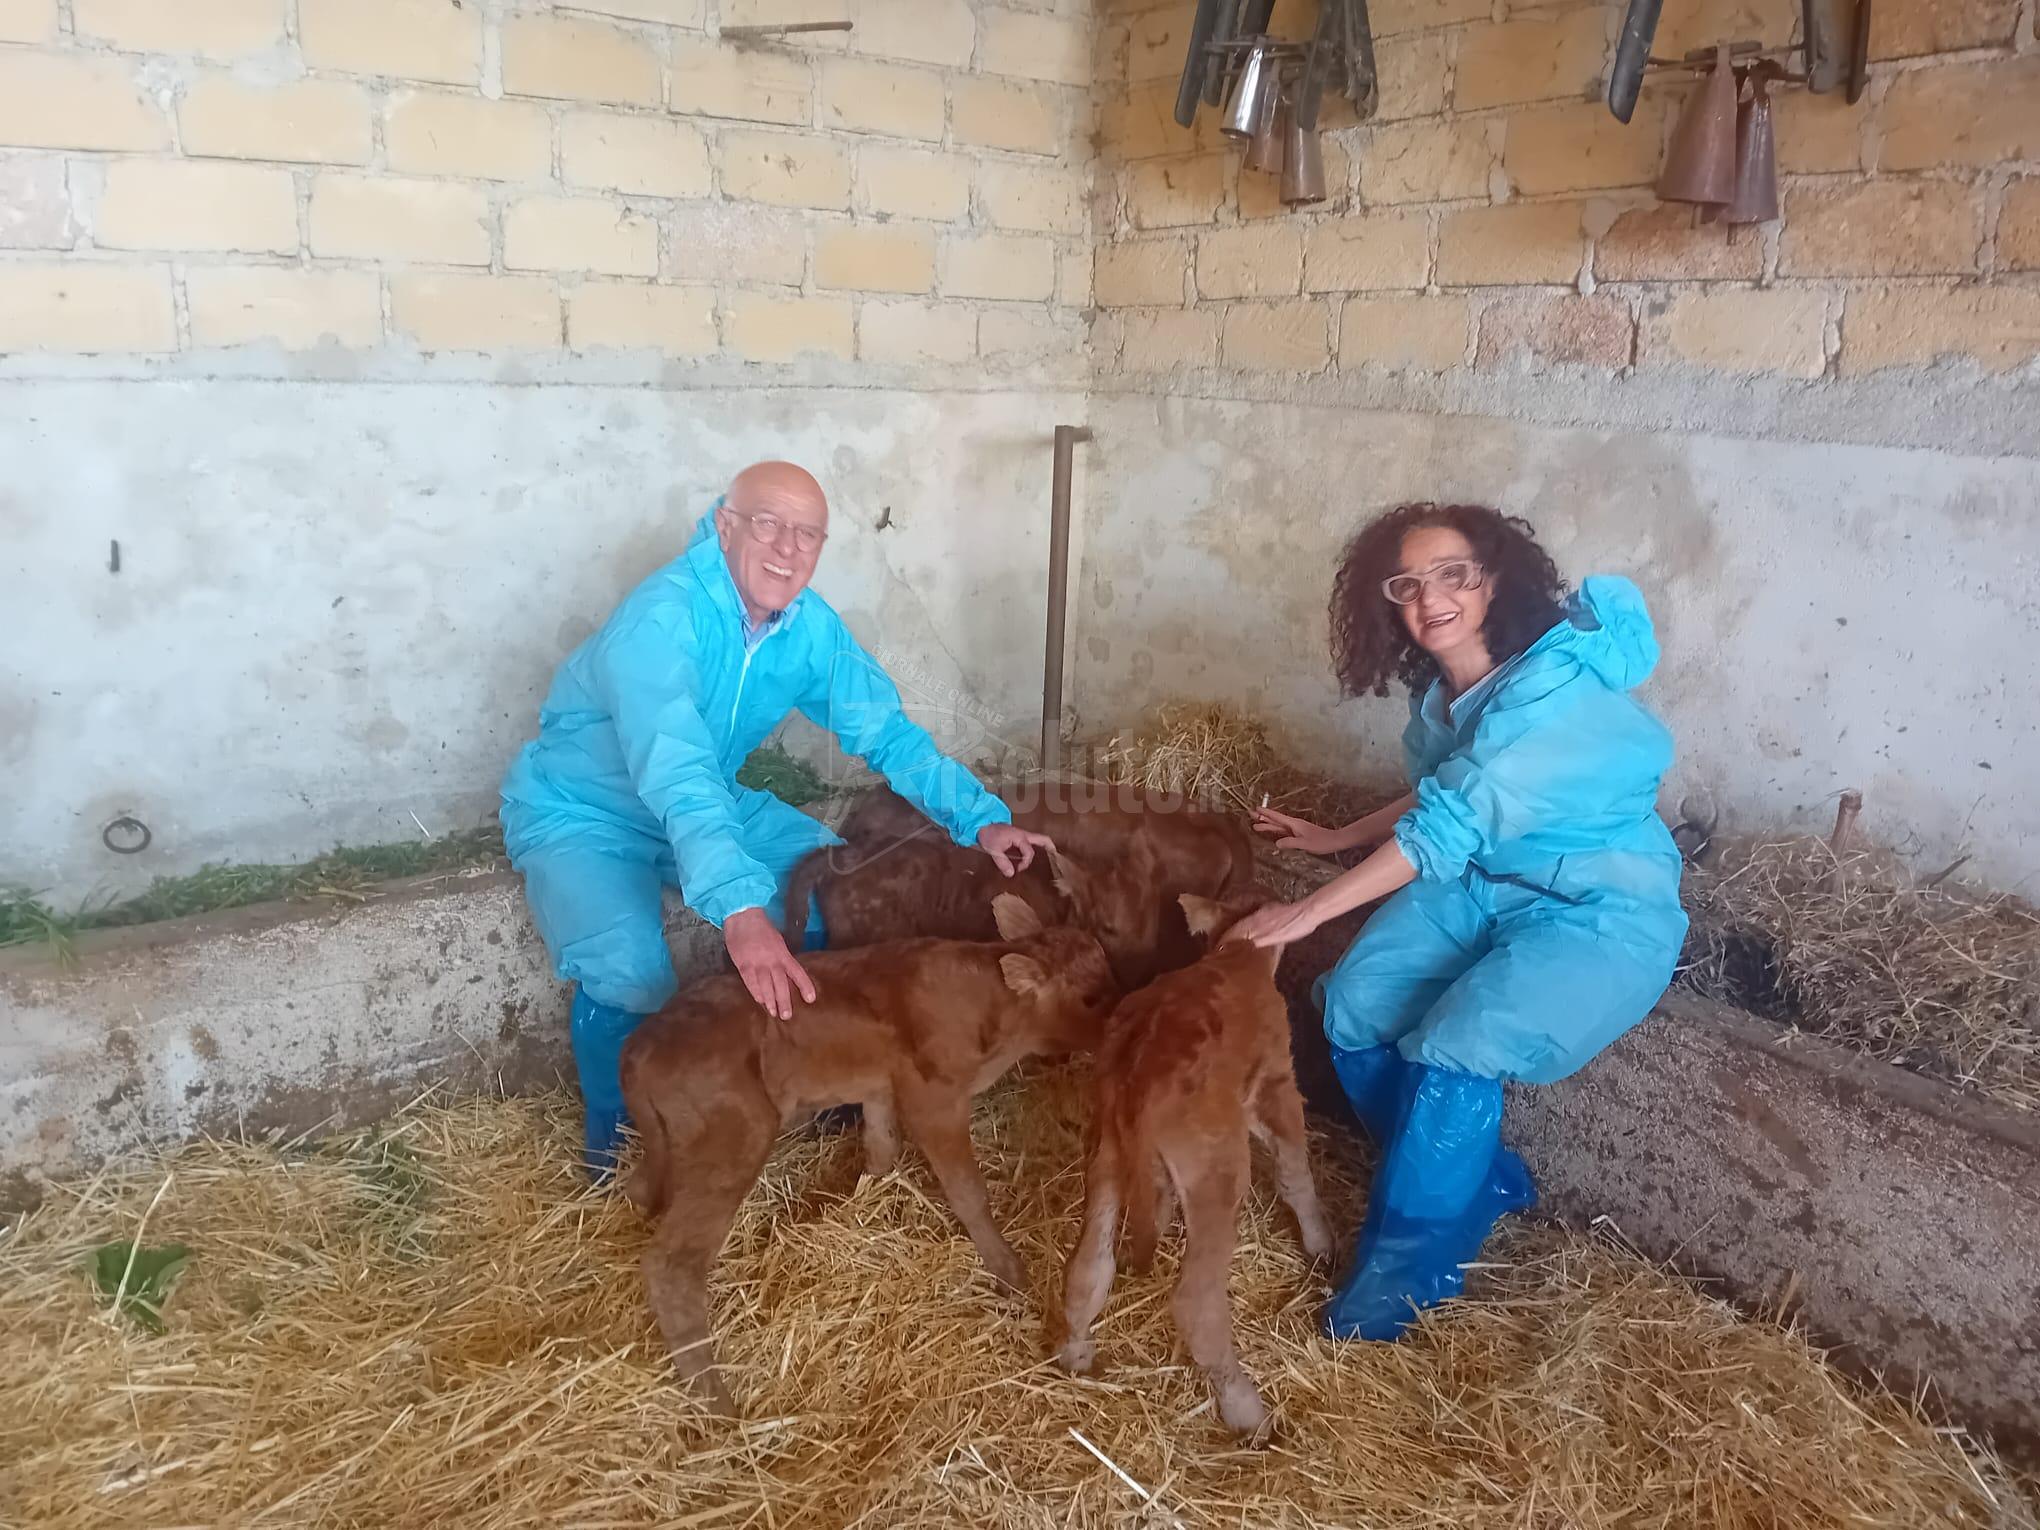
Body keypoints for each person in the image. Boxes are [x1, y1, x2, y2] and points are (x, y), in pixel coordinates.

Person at [499, 461, 1052, 1176]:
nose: (788, 548)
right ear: (726, 526)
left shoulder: (807, 628)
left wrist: (980, 819)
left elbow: (884, 731)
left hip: (704, 800)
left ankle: (814, 1078)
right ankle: (619, 1148)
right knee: (629, 972)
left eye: (808, 534)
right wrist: (738, 907)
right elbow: (673, 767)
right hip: (584, 811)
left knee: (827, 888)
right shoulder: (662, 619)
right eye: (769, 524)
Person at [1228, 503, 1687, 1342]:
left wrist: (1304, 911)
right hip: (1483, 883)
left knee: (1460, 1041)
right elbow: (1450, 791)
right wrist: (1336, 838)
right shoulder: (1456, 692)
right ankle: (1467, 1181)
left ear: (1496, 580)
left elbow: (1455, 819)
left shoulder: (1552, 691)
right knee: (1353, 1003)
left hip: (1595, 906)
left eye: (1453, 575)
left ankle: (1405, 1271)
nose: (1428, 599)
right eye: (1407, 584)